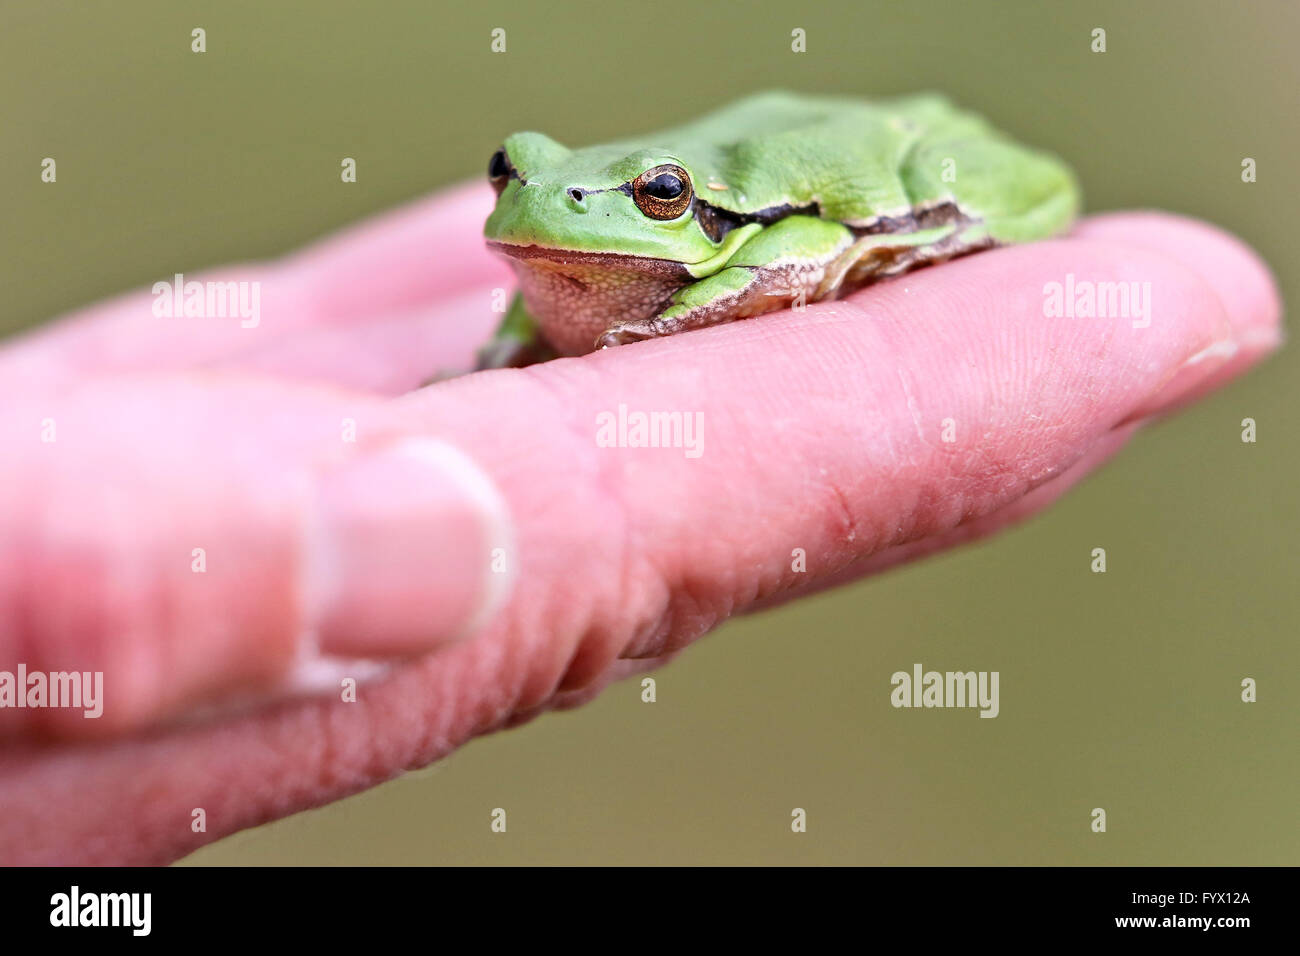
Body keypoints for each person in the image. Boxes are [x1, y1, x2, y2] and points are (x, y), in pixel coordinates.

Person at [0, 184, 1282, 864]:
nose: (523, 209)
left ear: (692, 207)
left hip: (854, 188)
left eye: (655, 200)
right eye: (512, 177)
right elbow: (520, 298)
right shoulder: (546, 253)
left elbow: (787, 230)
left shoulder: (747, 220)